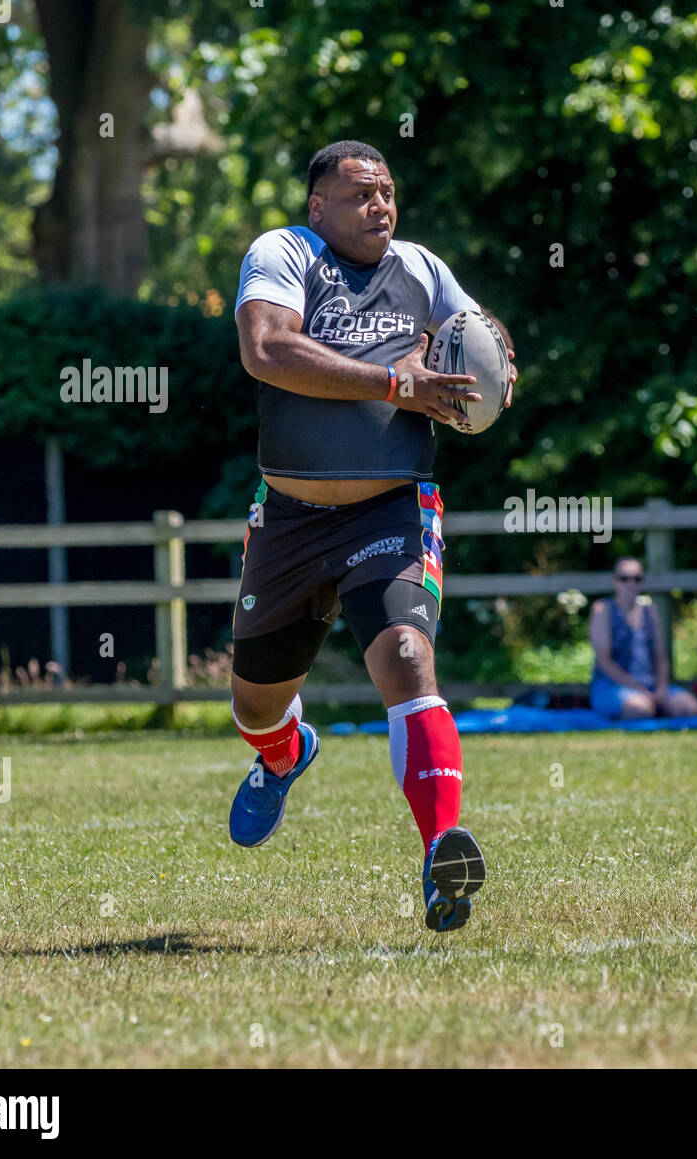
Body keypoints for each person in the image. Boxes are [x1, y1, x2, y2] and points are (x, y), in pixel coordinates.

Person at [226, 140, 516, 933]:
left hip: (391, 510)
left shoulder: (421, 267)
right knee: (254, 704)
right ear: (318, 206)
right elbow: (266, 350)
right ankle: (284, 752)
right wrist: (397, 380)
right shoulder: (285, 252)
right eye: (359, 195)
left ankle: (439, 856)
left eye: (387, 192)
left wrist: (491, 361)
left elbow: (475, 330)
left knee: (410, 659)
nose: (380, 206)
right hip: (288, 519)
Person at [589, 557, 697, 720]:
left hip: (651, 686)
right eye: (624, 578)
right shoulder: (602, 609)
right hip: (612, 687)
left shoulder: (650, 610)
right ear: (614, 581)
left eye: (637, 579)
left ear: (642, 582)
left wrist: (661, 688)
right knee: (640, 709)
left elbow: (661, 658)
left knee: (690, 708)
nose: (631, 583)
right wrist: (638, 689)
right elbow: (604, 661)